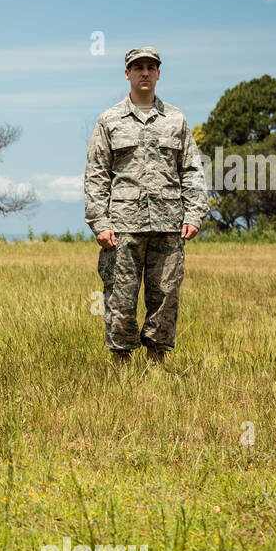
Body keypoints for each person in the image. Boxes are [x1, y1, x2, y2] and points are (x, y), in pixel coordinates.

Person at [84, 47, 206, 367]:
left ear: (158, 73)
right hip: (122, 226)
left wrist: (194, 213)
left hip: (168, 224)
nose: (145, 73)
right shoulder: (109, 120)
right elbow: (96, 174)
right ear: (127, 73)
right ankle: (122, 365)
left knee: (165, 295)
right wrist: (100, 221)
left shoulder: (175, 119)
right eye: (138, 67)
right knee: (120, 296)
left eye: (151, 67)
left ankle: (157, 365)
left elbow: (191, 169)